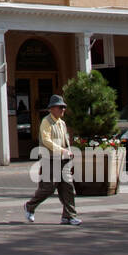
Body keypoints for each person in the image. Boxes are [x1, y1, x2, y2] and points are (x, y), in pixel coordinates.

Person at [24, 95, 81, 226]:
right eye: (60, 107)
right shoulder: (46, 121)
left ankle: (69, 216)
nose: (63, 110)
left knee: (68, 188)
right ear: (52, 108)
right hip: (50, 159)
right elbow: (46, 140)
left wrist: (68, 152)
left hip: (63, 160)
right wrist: (62, 150)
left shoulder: (62, 123)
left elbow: (65, 140)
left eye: (64, 107)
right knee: (48, 188)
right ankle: (29, 206)